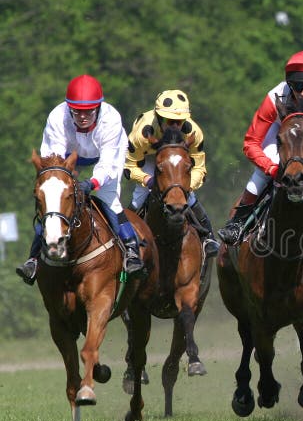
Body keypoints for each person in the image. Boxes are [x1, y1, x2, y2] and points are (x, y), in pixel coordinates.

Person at [16, 74, 143, 285]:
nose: (83, 117)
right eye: (77, 111)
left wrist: (90, 184)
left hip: (106, 157)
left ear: (99, 108)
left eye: (89, 111)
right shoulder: (57, 117)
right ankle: (34, 259)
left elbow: (107, 165)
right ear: (69, 108)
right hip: (67, 157)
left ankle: (131, 251)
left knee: (108, 197)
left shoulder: (111, 119)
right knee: (54, 202)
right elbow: (54, 160)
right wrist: (63, 183)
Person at [217, 51, 303, 247]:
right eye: (297, 87)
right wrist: (271, 169)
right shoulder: (274, 98)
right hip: (281, 130)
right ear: (289, 85)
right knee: (262, 174)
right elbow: (251, 143)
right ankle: (237, 223)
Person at [125, 89, 220, 257]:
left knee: (189, 198)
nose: (176, 126)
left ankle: (208, 237)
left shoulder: (193, 133)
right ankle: (127, 242)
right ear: (159, 118)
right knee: (139, 196)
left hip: (177, 157)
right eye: (170, 121)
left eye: (180, 122)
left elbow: (199, 168)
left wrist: (185, 187)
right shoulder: (142, 134)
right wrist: (147, 180)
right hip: (148, 157)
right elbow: (129, 166)